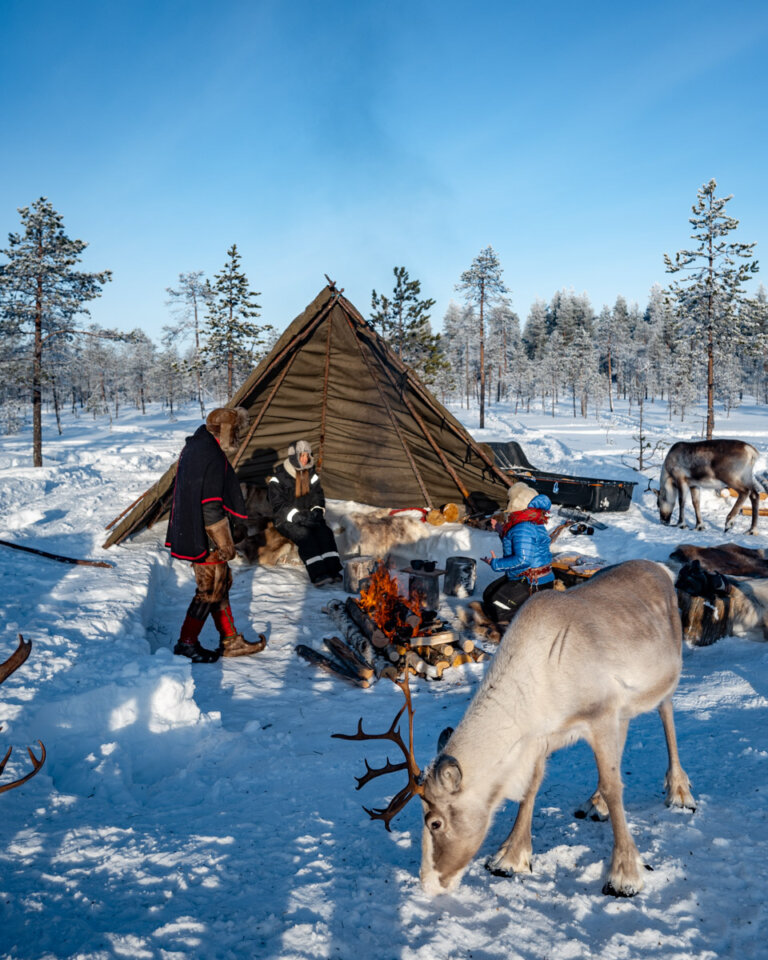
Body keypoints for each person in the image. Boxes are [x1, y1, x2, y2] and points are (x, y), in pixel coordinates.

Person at [166, 407, 266, 662]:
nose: (238, 438)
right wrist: (224, 543)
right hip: (208, 538)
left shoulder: (197, 445)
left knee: (220, 585)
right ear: (227, 431)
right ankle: (186, 643)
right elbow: (210, 505)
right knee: (209, 589)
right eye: (236, 433)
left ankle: (231, 640)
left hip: (200, 533)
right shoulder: (209, 454)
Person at [267, 439, 343, 586]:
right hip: (285, 520)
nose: (305, 459)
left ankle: (333, 570)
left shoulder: (311, 475)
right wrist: (297, 516)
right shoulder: (278, 479)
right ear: (294, 457)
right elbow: (278, 506)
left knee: (325, 532)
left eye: (307, 455)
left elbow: (318, 497)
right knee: (305, 535)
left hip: (308, 516)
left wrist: (317, 512)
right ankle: (319, 574)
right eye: (301, 455)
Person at [480, 481, 555, 625]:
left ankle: (521, 628)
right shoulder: (531, 522)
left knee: (497, 606)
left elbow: (523, 560)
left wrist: (495, 563)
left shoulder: (523, 527)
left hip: (533, 582)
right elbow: (518, 543)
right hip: (531, 577)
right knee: (489, 594)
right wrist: (501, 531)